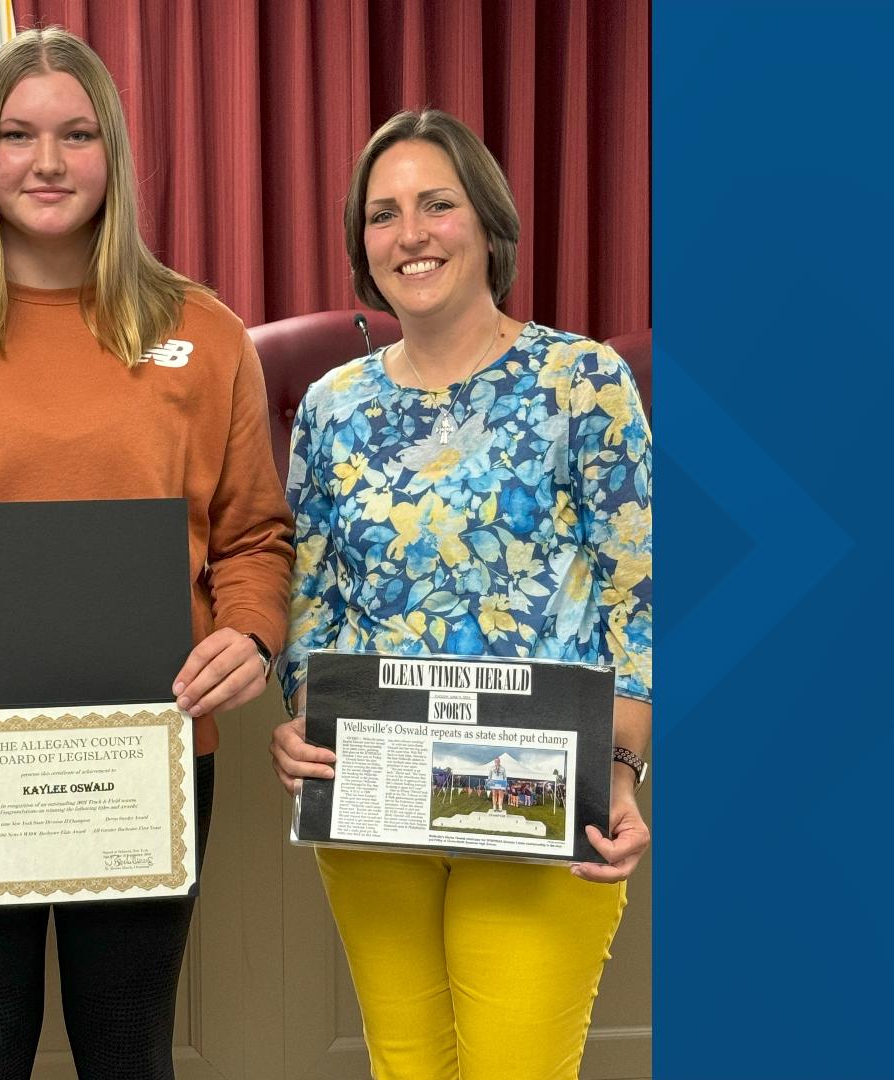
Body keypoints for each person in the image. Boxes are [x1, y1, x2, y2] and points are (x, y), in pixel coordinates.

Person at [0, 28, 291, 1079]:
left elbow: (257, 537)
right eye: (19, 135)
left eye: (76, 134)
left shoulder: (202, 333)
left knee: (129, 1046)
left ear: (112, 152)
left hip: (146, 748)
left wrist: (252, 633)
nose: (47, 162)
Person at [268, 109, 653, 1079]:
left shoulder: (581, 382)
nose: (412, 234)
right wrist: (305, 714)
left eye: (437, 204)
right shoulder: (331, 406)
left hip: (539, 791)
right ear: (362, 243)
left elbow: (640, 594)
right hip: (375, 796)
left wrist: (624, 768)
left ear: (488, 223)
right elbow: (314, 594)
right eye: (383, 213)